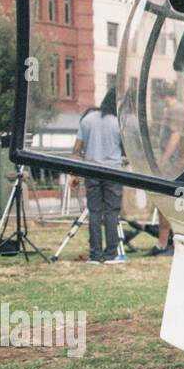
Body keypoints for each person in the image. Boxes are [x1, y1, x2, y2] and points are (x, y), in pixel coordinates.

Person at [72, 88, 126, 265]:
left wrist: (75, 174)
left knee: (94, 212)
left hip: (91, 170)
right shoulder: (118, 122)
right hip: (113, 171)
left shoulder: (87, 120)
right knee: (112, 213)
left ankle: (95, 254)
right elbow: (125, 150)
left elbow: (76, 150)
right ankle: (111, 254)